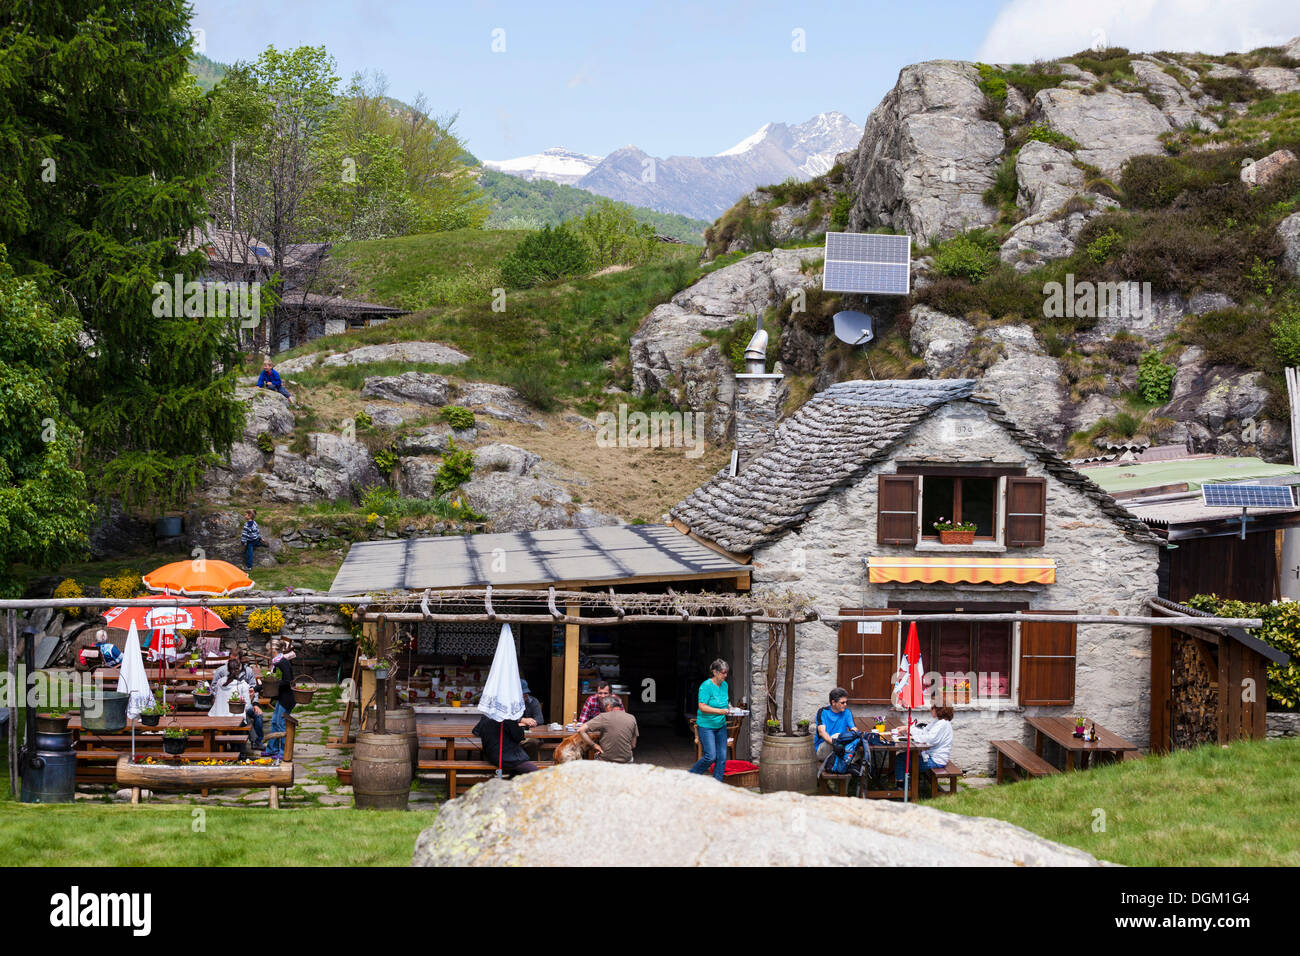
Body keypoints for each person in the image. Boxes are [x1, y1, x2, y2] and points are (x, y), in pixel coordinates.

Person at [688, 659, 732, 782]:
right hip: (706, 725)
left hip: (720, 725)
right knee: (710, 756)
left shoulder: (725, 685)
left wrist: (731, 709)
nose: (725, 675)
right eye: (723, 672)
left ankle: (717, 784)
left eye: (726, 672)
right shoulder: (706, 686)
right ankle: (689, 777)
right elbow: (702, 706)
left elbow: (724, 703)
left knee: (722, 757)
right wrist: (720, 711)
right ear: (715, 672)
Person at [894, 703, 954, 791]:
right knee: (901, 757)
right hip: (929, 755)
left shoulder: (942, 724)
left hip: (936, 760)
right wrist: (907, 728)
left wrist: (911, 738)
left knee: (903, 761)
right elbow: (924, 731)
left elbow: (930, 740)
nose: (931, 709)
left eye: (933, 707)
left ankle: (902, 788)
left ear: (939, 710)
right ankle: (902, 785)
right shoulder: (937, 721)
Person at [474, 709, 540, 776]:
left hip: (490, 754)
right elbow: (519, 737)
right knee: (535, 772)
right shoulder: (507, 717)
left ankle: (512, 779)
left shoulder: (486, 716)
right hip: (506, 756)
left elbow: (476, 731)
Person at [579, 695, 639, 764]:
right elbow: (633, 745)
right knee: (630, 758)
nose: (604, 710)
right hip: (626, 761)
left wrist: (594, 746)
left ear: (608, 706)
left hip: (606, 760)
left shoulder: (603, 716)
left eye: (604, 707)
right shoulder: (632, 717)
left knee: (595, 755)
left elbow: (581, 730)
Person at [264, 638, 297, 758]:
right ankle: (272, 748)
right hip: (281, 697)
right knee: (274, 722)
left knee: (281, 724)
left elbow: (288, 681)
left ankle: (284, 752)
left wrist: (274, 683)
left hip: (287, 698)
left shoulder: (282, 662)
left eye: (268, 650)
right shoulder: (277, 662)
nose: (267, 653)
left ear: (273, 651)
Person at [814, 687, 859, 762]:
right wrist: (835, 743)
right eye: (842, 702)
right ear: (833, 702)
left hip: (840, 746)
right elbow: (822, 732)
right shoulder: (823, 712)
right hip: (824, 748)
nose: (845, 704)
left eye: (846, 702)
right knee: (837, 736)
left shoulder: (847, 712)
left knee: (857, 744)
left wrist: (855, 733)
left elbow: (853, 728)